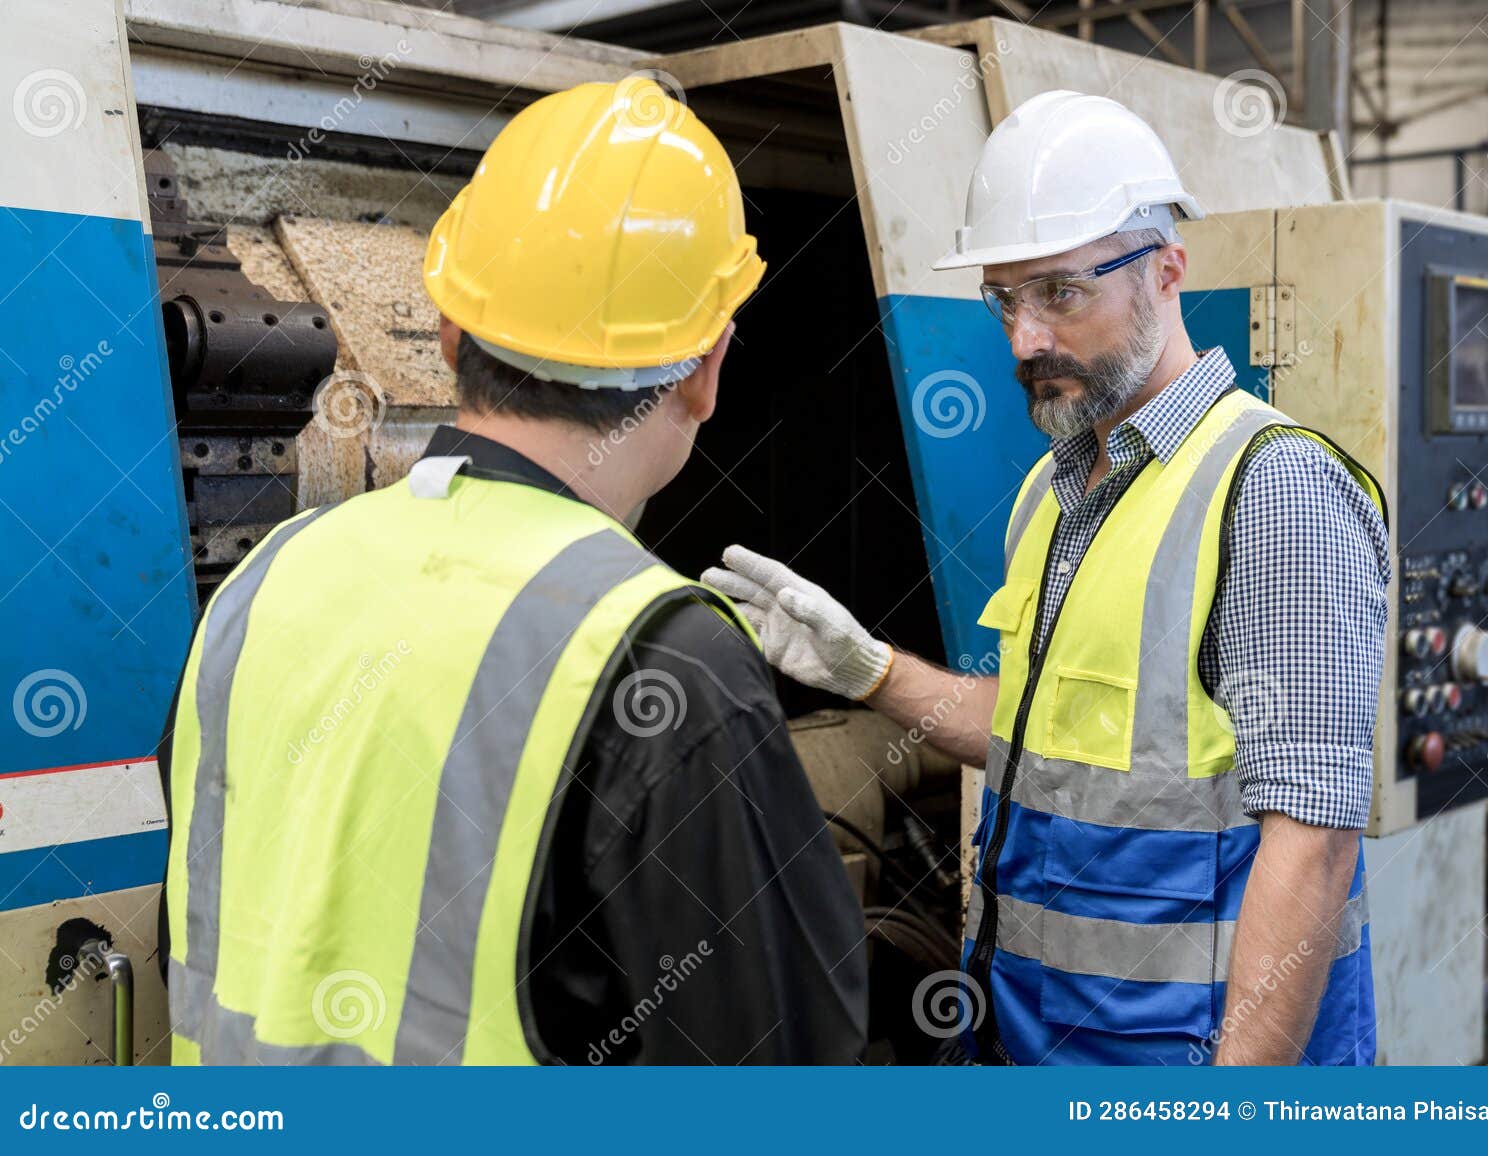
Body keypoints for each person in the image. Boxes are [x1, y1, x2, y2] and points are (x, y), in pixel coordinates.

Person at [158, 78, 866, 1065]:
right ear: (705, 370)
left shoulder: (263, 580)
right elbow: (779, 1062)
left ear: (449, 333)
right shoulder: (663, 654)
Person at [703, 90, 1389, 1066]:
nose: (1024, 338)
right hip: (1038, 1043)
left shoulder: (1271, 489)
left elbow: (1312, 840)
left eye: (1061, 292)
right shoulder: (1052, 489)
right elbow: (1045, 739)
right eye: (1004, 298)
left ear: (1165, 270)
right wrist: (867, 671)